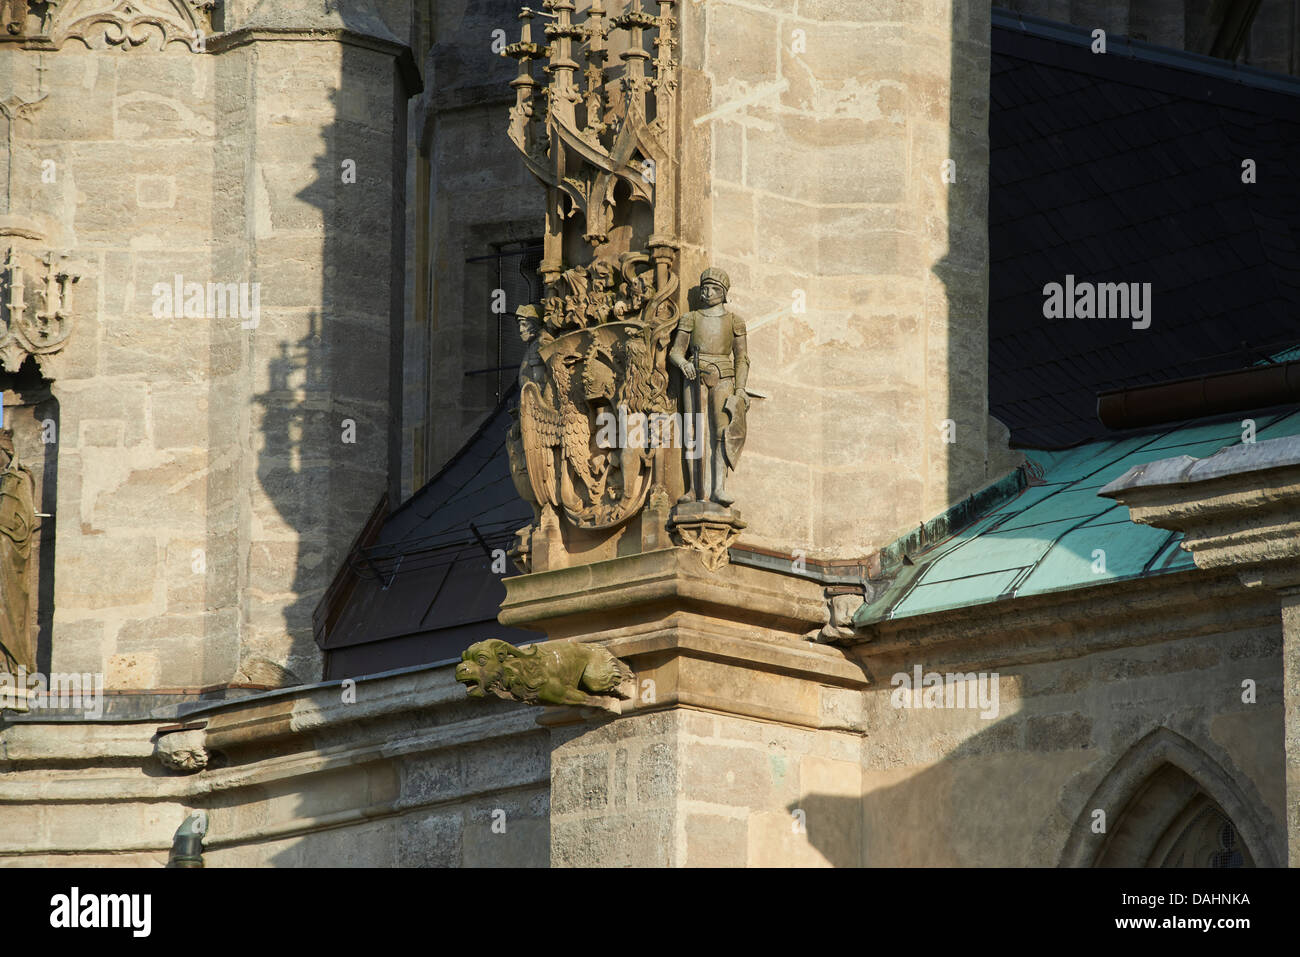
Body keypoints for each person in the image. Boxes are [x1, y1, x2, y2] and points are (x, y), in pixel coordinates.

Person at [667, 267, 749, 507]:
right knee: (693, 430)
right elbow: (676, 351)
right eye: (704, 288)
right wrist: (683, 364)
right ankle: (694, 489)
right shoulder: (691, 318)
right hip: (694, 375)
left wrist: (741, 389)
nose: (707, 293)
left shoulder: (734, 321)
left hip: (724, 376)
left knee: (721, 432)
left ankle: (718, 488)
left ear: (723, 293)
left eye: (713, 289)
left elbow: (742, 358)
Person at [0, 429, 36, 673]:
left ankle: (12, 664)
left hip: (8, 558)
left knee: (8, 610)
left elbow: (22, 525)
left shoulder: (19, 479)